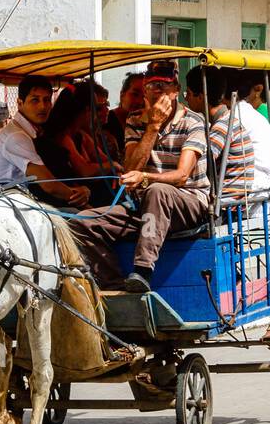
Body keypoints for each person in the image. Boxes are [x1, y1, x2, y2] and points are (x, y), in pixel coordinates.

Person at [69, 59, 210, 292]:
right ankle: (114, 285)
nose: (156, 93)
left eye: (163, 87)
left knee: (157, 191)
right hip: (146, 210)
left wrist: (145, 179)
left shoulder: (193, 121)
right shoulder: (136, 121)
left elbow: (182, 176)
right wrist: (153, 126)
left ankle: (143, 269)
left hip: (188, 203)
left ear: (175, 91)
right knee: (81, 222)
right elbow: (131, 167)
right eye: (152, 86)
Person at [0, 75, 90, 207]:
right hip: (5, 207)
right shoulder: (16, 136)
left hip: (20, 202)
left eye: (46, 100)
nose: (42, 107)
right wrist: (80, 198)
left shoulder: (35, 132)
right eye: (35, 100)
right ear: (20, 103)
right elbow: (49, 185)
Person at [35, 83, 117, 207]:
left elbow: (102, 159)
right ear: (87, 110)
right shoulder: (62, 137)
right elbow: (85, 171)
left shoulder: (81, 135)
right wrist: (112, 166)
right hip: (70, 202)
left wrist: (113, 167)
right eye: (97, 108)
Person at [185, 66, 254, 201]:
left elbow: (198, 166)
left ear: (200, 97)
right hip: (232, 198)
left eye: (187, 93)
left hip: (227, 204)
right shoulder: (227, 120)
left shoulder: (222, 127)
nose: (186, 99)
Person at [232, 71, 270, 193]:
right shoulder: (255, 115)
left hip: (252, 190)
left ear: (258, 89)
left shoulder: (240, 114)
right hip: (266, 190)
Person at [107, 71, 145, 155]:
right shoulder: (106, 121)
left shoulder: (146, 126)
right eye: (135, 94)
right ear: (122, 95)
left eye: (145, 97)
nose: (140, 101)